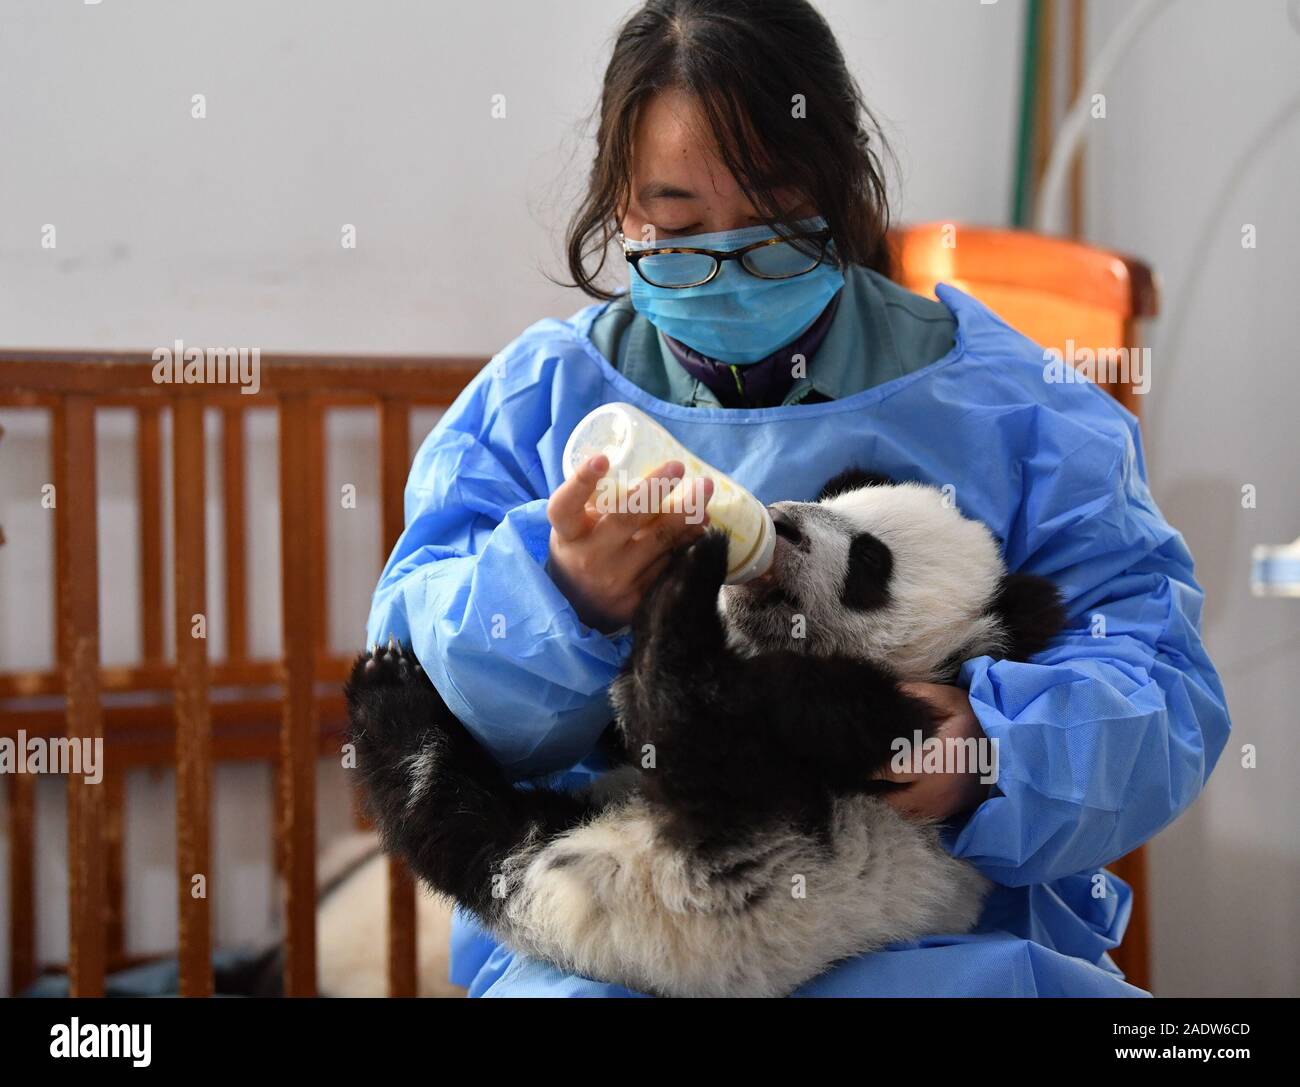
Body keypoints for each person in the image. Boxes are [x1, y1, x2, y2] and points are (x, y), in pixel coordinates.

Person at [365, 0, 1229, 997]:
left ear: (839, 183)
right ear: (620, 211)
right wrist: (557, 599)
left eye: (772, 222)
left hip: (939, 946)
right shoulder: (535, 408)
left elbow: (1161, 684)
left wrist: (995, 754)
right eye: (680, 228)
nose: (729, 267)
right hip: (621, 948)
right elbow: (414, 692)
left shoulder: (1018, 408)